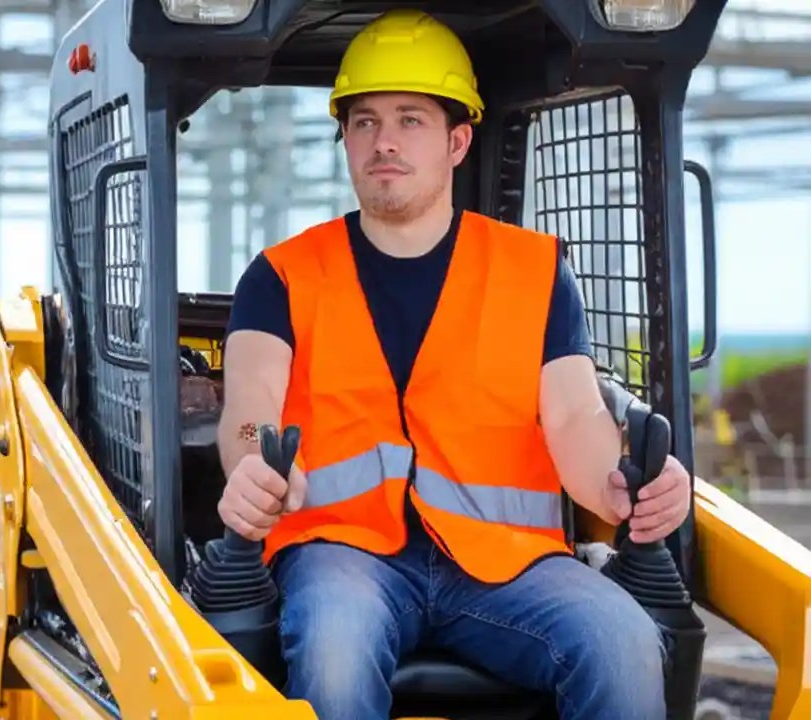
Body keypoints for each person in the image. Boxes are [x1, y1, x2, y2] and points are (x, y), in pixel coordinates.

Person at [215, 9, 693, 720]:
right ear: (344, 140)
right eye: (365, 122)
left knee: (620, 641)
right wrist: (253, 465)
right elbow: (250, 405)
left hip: (505, 562)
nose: (384, 142)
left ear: (458, 140)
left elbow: (575, 414)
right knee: (336, 656)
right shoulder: (282, 276)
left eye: (410, 119)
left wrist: (620, 488)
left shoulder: (535, 274)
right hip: (343, 556)